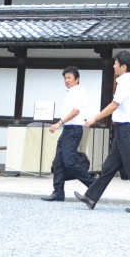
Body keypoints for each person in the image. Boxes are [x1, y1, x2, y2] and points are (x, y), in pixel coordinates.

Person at [73, 50, 130, 213]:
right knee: (109, 166)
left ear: (123, 67)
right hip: (124, 130)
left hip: (127, 130)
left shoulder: (125, 83)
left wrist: (94, 118)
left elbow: (114, 105)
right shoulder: (127, 82)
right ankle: (91, 197)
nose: (114, 66)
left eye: (116, 64)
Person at [41, 66, 96, 201]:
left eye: (69, 77)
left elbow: (75, 111)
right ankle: (58, 192)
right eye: (65, 78)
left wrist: (59, 123)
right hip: (67, 129)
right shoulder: (70, 92)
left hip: (74, 129)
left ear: (77, 79)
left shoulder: (79, 92)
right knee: (58, 162)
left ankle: (94, 184)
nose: (67, 80)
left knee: (70, 162)